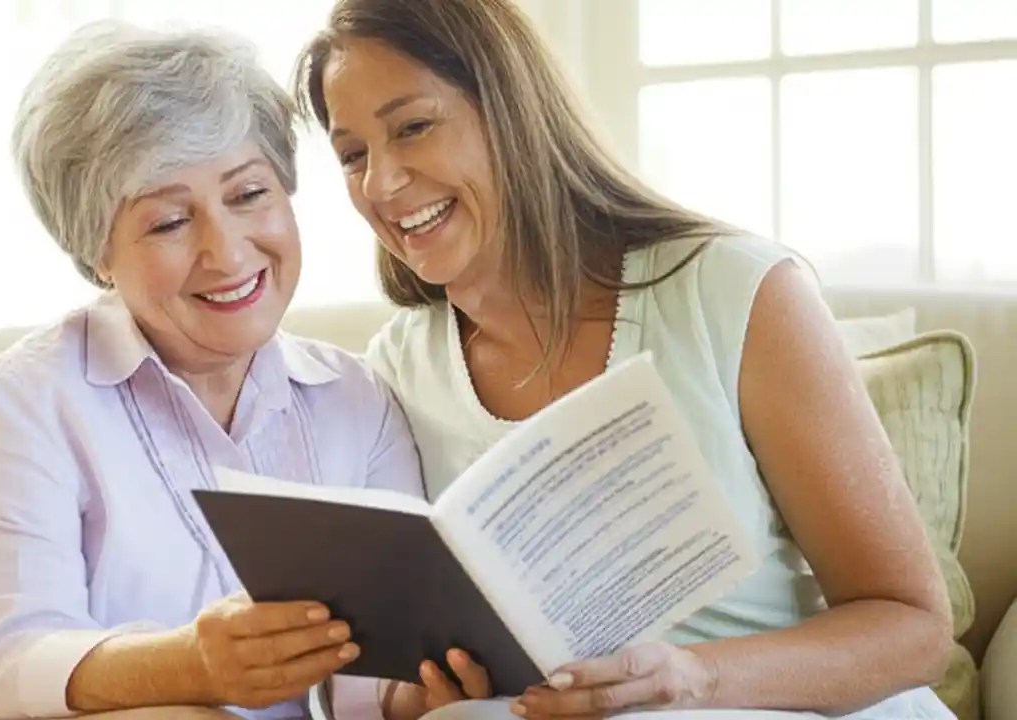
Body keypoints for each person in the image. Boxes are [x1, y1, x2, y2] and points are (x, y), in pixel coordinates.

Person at [293, 1, 957, 719]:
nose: (382, 184)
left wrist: (691, 676)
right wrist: (412, 694)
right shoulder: (394, 371)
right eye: (354, 155)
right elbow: (382, 676)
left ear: (511, 113)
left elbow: (913, 628)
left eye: (413, 127)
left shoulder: (730, 292)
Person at [0, 20, 420, 720]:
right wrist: (191, 666)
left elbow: (372, 681)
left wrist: (438, 689)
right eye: (169, 222)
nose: (226, 253)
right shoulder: (28, 398)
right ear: (97, 254)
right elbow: (8, 655)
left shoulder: (358, 403)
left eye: (248, 194)